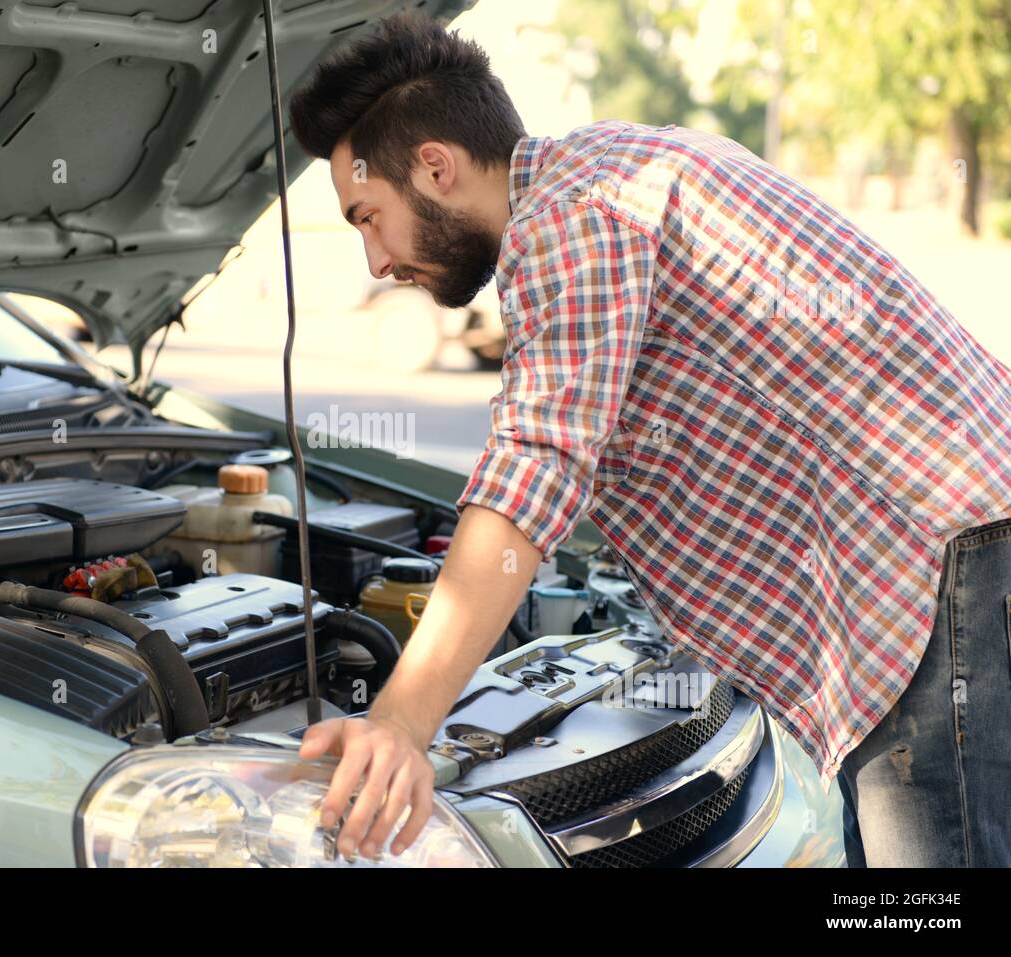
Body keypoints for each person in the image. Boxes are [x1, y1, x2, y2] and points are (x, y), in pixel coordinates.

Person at [287, 12, 1011, 866]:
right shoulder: (616, 165)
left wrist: (401, 720)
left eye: (368, 217)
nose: (374, 261)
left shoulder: (573, 214)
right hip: (933, 566)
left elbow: (541, 458)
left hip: (924, 571)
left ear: (436, 168)